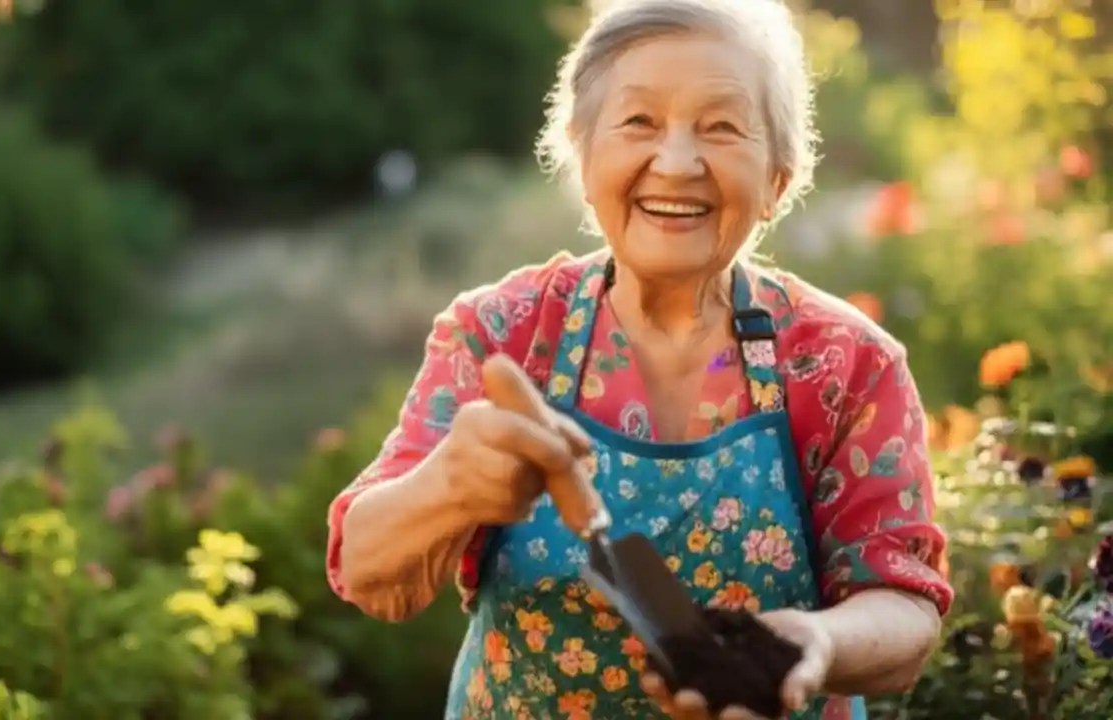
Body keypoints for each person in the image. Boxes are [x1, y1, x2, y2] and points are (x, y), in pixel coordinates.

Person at [325, 0, 953, 717]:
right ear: (581, 156)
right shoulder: (504, 332)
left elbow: (904, 609)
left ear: (779, 177)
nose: (678, 162)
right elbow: (368, 571)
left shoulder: (845, 363)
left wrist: (815, 641)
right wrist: (448, 488)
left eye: (721, 127)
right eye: (638, 123)